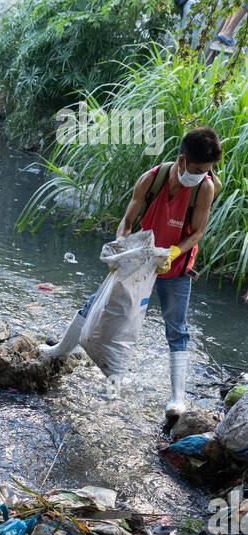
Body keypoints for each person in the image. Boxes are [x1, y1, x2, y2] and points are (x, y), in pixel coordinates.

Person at [42, 127, 221, 418]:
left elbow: (198, 232)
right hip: (139, 260)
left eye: (208, 170)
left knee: (176, 327)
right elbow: (127, 220)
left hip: (174, 266)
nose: (203, 175)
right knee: (97, 303)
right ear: (181, 161)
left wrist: (174, 253)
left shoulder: (205, 187)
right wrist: (120, 250)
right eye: (198, 169)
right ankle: (60, 351)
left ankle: (177, 398)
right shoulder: (152, 179)